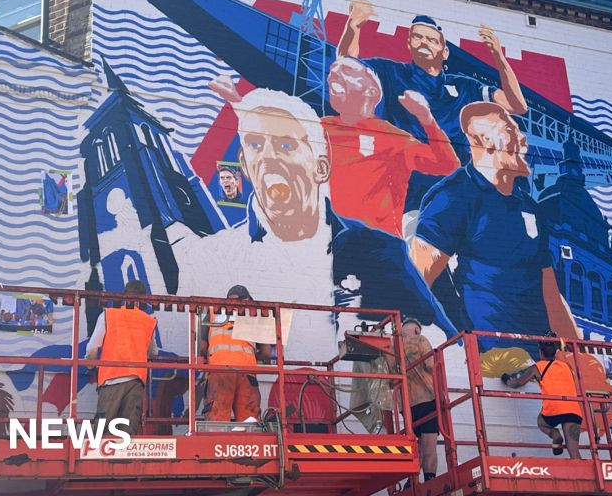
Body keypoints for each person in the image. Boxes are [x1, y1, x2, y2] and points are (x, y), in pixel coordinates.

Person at [167, 84, 458, 349]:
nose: (268, 157)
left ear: (320, 168)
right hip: (253, 397)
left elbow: (446, 343)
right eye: (256, 145)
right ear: (244, 163)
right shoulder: (213, 256)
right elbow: (184, 348)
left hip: (350, 401)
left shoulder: (376, 250)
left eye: (285, 145)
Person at [409, 102, 579, 373]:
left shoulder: (528, 206)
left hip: (545, 362)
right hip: (494, 362)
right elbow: (417, 279)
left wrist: (578, 354)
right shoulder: (454, 196)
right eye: (511, 130)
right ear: (484, 139)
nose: (523, 137)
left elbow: (551, 292)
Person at [338, 3, 527, 169]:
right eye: (417, 37)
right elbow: (346, 69)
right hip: (400, 175)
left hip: (450, 180)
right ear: (409, 44)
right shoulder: (392, 72)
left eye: (432, 40)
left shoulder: (464, 86)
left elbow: (516, 105)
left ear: (444, 52)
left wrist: (498, 57)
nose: (423, 43)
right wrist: (353, 28)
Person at [322, 57, 459, 236]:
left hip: (375, 244)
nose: (334, 74)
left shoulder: (393, 138)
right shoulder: (320, 127)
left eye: (347, 72)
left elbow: (448, 165)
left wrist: (426, 119)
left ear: (371, 91)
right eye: (333, 73)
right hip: (325, 238)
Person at [85, 279, 159, 435]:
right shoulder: (149, 321)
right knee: (127, 434)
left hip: (112, 378)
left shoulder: (108, 315)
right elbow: (153, 353)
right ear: (144, 299)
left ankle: (97, 459)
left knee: (102, 432)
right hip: (136, 381)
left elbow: (92, 347)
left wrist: (90, 364)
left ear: (125, 297)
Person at [500, 331, 583, 459]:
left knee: (541, 422)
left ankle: (554, 434)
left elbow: (517, 383)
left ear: (540, 352)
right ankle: (584, 475)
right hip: (573, 410)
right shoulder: (566, 366)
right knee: (574, 451)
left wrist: (505, 378)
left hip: (554, 410)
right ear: (555, 352)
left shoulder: (537, 367)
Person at [200, 285, 270, 423]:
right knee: (248, 421)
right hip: (247, 373)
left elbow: (202, 347)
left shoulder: (213, 312)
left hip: (219, 370)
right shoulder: (253, 314)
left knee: (217, 420)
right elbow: (267, 353)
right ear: (247, 300)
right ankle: (248, 445)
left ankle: (218, 445)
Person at [399, 317, 438, 484]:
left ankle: (411, 482)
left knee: (417, 445)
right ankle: (429, 482)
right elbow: (431, 365)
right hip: (427, 399)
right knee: (429, 447)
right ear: (416, 330)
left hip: (407, 406)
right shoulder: (420, 340)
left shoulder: (394, 347)